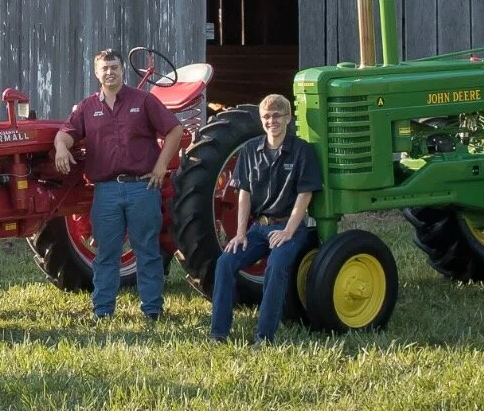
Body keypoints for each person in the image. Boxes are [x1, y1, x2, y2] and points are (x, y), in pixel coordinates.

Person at [52, 49, 184, 322]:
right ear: (96, 73)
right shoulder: (87, 107)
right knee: (106, 253)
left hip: (142, 188)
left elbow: (175, 130)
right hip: (106, 190)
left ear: (122, 70)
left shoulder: (144, 101)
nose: (110, 72)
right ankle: (102, 311)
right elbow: (66, 133)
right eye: (105, 68)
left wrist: (160, 167)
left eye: (114, 67)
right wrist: (61, 149)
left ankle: (152, 310)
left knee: (147, 250)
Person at [208, 93, 322, 344]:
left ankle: (264, 335)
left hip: (289, 227)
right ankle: (218, 333)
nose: (272, 121)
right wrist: (239, 233)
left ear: (288, 118)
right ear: (261, 120)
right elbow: (244, 194)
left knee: (277, 265)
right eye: (267, 117)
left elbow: (305, 195)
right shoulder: (250, 150)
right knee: (226, 262)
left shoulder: (301, 151)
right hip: (258, 228)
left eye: (277, 116)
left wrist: (289, 231)